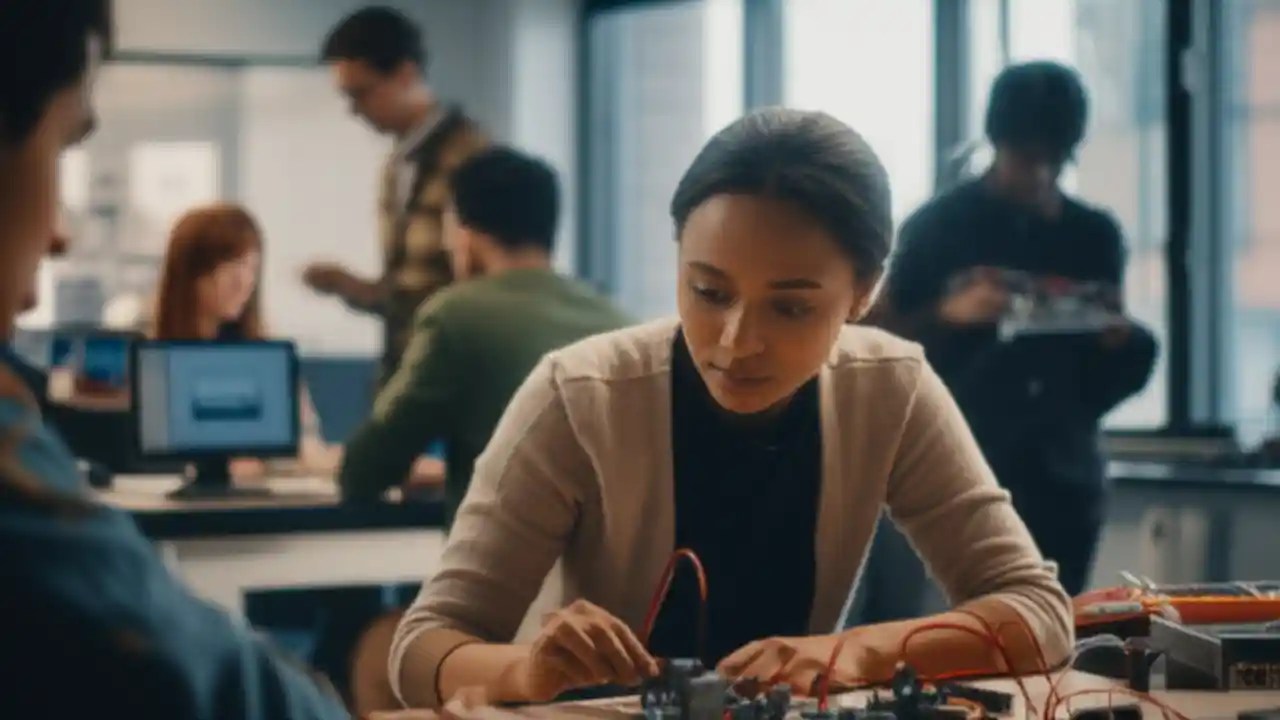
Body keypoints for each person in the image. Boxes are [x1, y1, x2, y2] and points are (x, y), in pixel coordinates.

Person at [388, 108, 1073, 710]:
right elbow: (421, 649)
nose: (736, 341)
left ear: (862, 294)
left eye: (791, 306)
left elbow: (1039, 614)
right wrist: (528, 671)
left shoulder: (890, 388)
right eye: (709, 291)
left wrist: (858, 653)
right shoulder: (579, 395)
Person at [0, 1, 348, 717]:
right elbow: (174, 659)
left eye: (251, 271)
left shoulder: (266, 356)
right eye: (63, 145)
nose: (61, 234)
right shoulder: (131, 358)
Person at [870, 62, 1158, 596]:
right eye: (1027, 159)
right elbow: (879, 346)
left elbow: (1109, 378)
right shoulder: (939, 226)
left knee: (1057, 629)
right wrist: (949, 316)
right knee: (954, 634)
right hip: (959, 467)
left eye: (1056, 161)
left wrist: (1117, 343)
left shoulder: (1092, 234)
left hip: (1064, 477)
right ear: (998, 142)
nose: (1041, 175)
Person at [339, 146, 630, 517]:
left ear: (466, 235)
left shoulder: (457, 316)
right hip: (607, 568)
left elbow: (366, 468)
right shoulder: (618, 322)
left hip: (498, 563)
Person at [307, 6, 487, 386]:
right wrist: (351, 288)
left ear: (406, 74)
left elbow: (477, 289)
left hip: (458, 376)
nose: (353, 110)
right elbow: (409, 290)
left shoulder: (473, 157)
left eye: (361, 93)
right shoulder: (397, 165)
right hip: (408, 368)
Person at [154, 203, 339, 477]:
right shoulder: (149, 354)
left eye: (251, 267)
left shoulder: (266, 354)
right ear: (191, 273)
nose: (243, 281)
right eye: (229, 267)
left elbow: (307, 446)